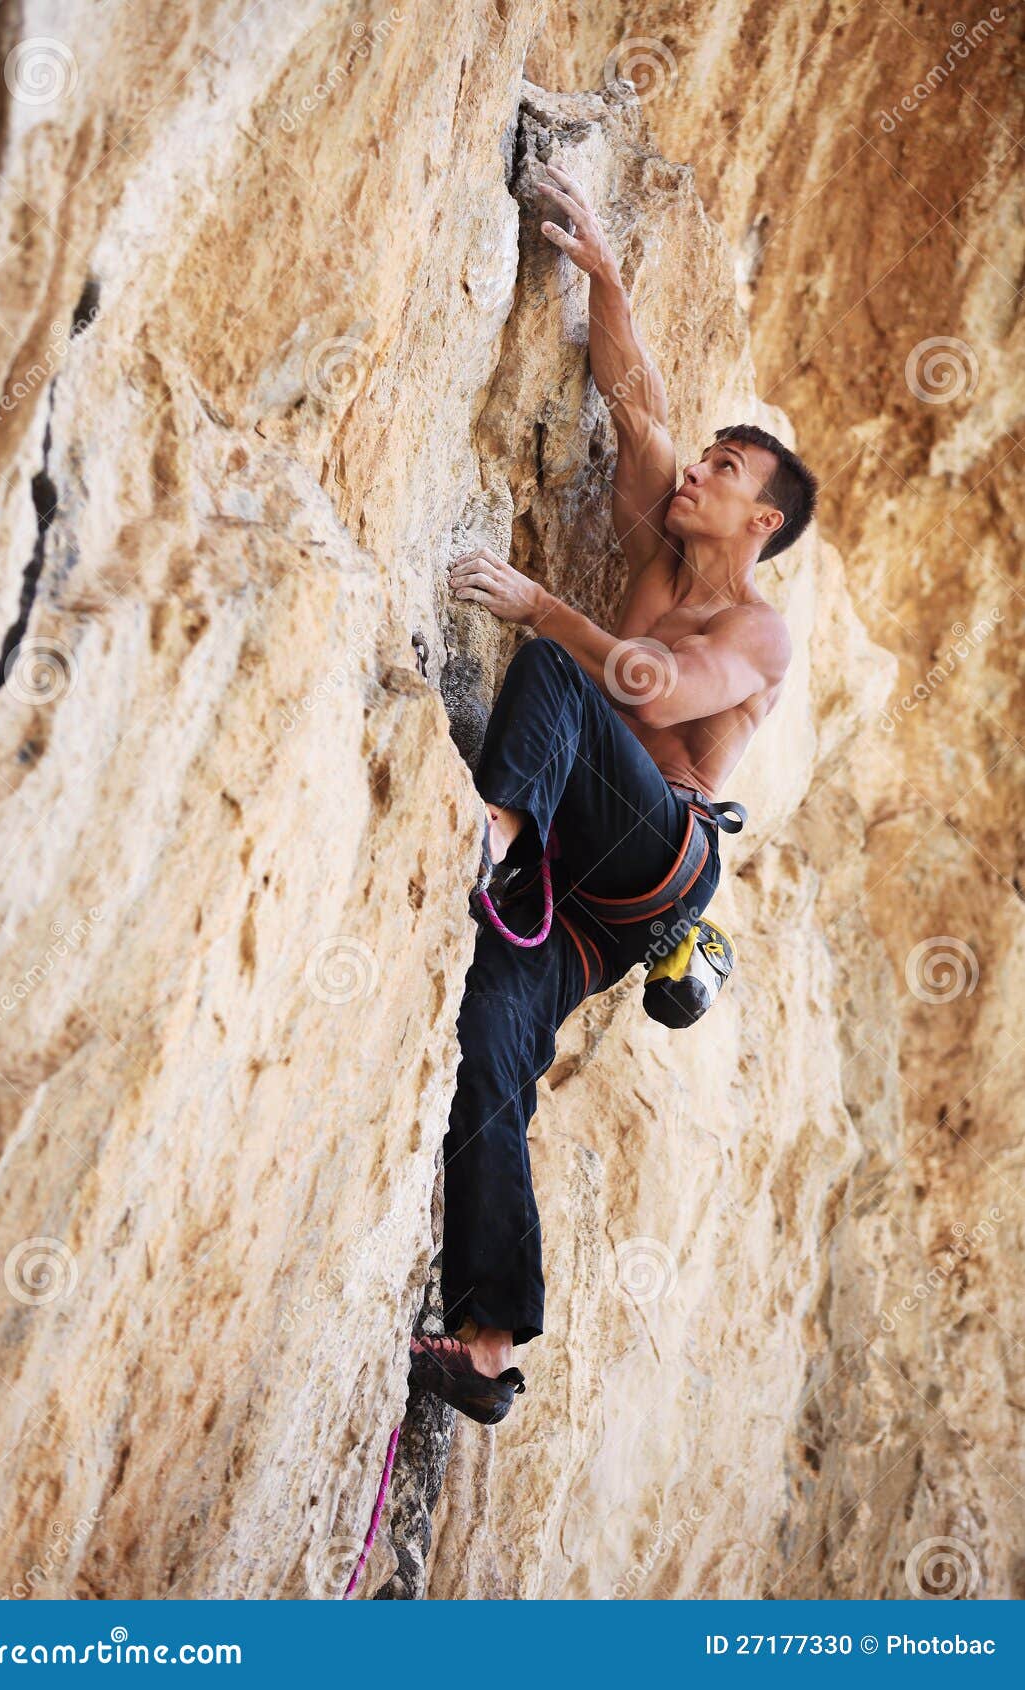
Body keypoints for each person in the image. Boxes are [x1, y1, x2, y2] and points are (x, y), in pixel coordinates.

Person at [408, 162, 818, 1424]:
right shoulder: (661, 534)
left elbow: (645, 674)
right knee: (491, 1033)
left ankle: (495, 831)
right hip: (583, 905)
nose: (696, 467)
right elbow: (633, 399)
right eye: (706, 456)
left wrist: (540, 606)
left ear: (761, 522)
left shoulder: (755, 632)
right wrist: (602, 271)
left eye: (726, 467)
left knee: (558, 665)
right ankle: (482, 1341)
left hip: (657, 863)